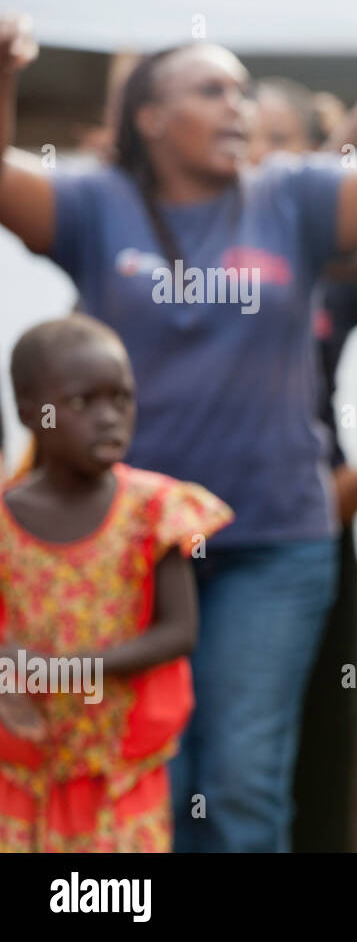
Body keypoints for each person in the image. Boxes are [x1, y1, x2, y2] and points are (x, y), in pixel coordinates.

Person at [0, 8, 357, 852]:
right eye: (211, 90)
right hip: (127, 549)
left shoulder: (293, 196)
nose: (237, 105)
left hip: (273, 538)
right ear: (150, 116)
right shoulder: (99, 204)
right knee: (145, 776)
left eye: (243, 90)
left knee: (241, 786)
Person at [245, 70, 357, 852]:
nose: (262, 157)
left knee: (314, 726)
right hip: (199, 523)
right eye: (250, 138)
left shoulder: (335, 269)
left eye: (279, 141)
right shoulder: (185, 249)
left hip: (307, 517)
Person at [0, 315, 231, 851]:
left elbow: (180, 632)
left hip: (121, 773)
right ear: (31, 411)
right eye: (84, 402)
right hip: (24, 773)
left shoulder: (155, 511)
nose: (110, 418)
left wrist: (67, 670)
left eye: (121, 399)